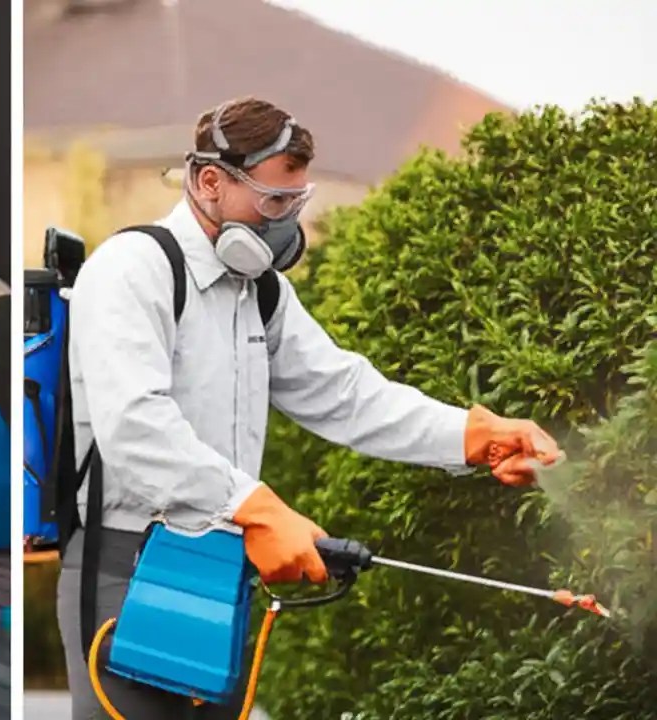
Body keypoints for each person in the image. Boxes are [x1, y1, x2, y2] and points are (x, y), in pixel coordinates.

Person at [56, 97, 563, 719]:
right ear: (209, 182)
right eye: (273, 203)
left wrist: (470, 434)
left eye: (295, 203)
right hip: (128, 566)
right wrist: (258, 508)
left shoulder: (259, 289)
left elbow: (343, 391)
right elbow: (134, 426)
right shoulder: (133, 270)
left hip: (220, 567)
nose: (284, 221)